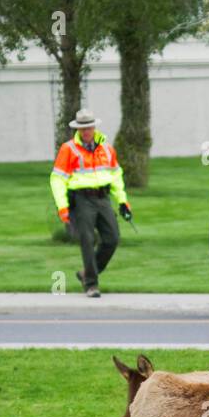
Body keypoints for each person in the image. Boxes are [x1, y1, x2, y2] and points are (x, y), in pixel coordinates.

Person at [50, 108, 132, 298]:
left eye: (89, 127)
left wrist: (122, 201)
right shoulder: (68, 149)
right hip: (81, 199)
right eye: (82, 128)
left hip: (102, 198)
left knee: (112, 238)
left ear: (94, 127)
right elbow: (57, 179)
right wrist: (62, 206)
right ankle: (91, 284)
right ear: (78, 129)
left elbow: (116, 175)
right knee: (87, 240)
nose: (86, 131)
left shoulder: (106, 148)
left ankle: (86, 273)